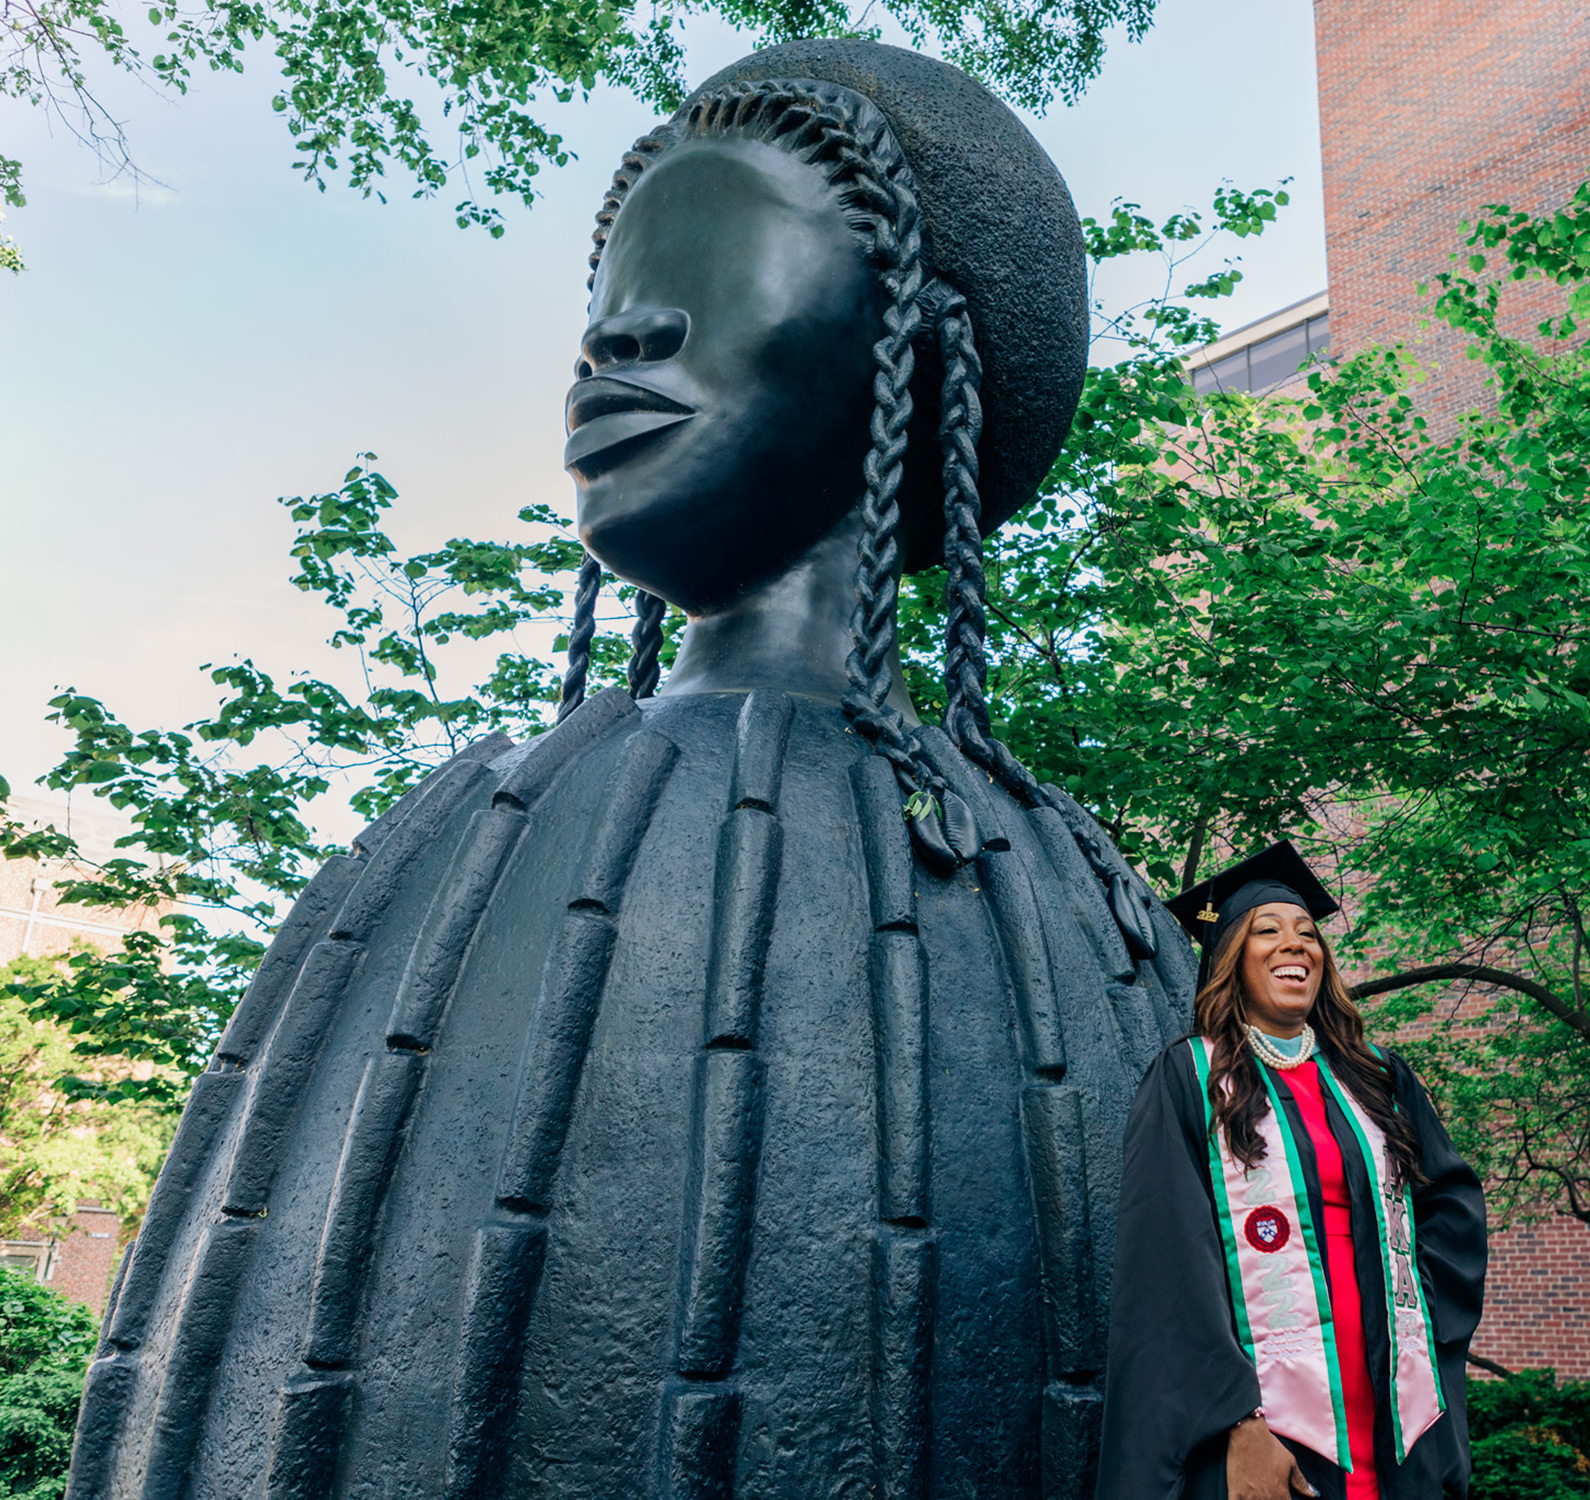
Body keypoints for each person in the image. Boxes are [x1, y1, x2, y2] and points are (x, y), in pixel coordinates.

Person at [65, 42, 1194, 1500]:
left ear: (916, 343)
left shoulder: (1076, 904)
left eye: (717, 265)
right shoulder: (460, 830)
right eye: (606, 303)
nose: (617, 342)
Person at [1098, 842, 1487, 1500]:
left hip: (1401, 1409)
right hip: (1274, 1421)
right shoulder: (1191, 1077)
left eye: (1308, 933)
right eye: (1267, 931)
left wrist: (1423, 1338)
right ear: (1231, 958)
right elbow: (1166, 1264)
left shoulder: (1377, 1078)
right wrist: (1237, 1423)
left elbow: (1450, 1206)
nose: (1295, 945)